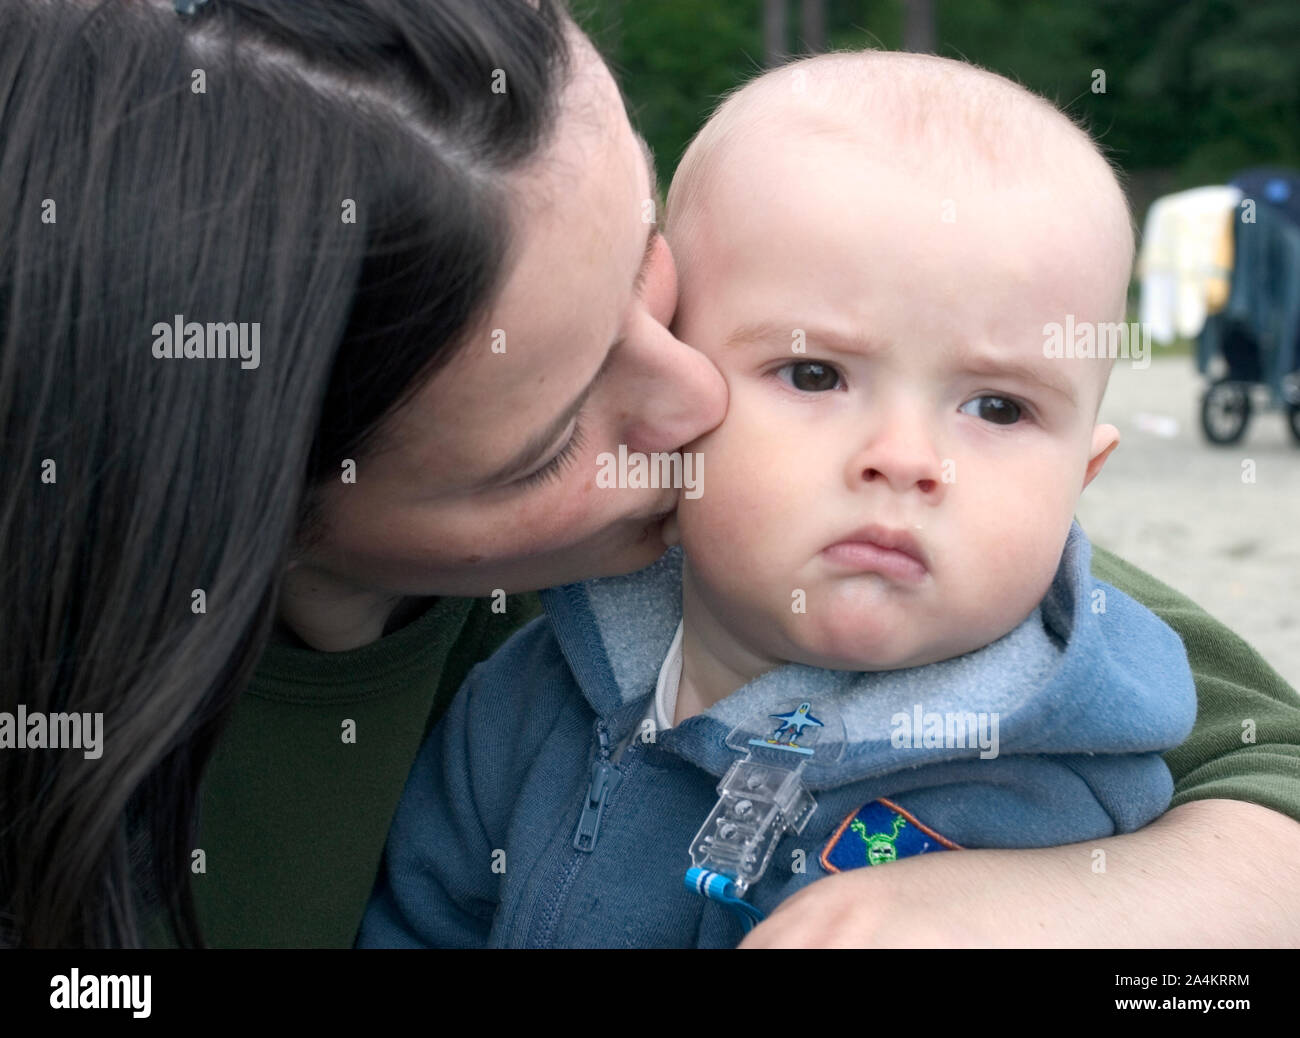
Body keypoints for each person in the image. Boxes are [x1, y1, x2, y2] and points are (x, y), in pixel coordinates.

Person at [1, 0, 1297, 951]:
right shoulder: (528, 680)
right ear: (254, 516)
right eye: (558, 429)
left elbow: (1269, 778)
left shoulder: (902, 573)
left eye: (649, 274)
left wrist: (1045, 905)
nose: (697, 401)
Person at [355, 51, 1203, 949]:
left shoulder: (1067, 800)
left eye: (997, 407)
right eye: (814, 373)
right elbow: (420, 919)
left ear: (1083, 478)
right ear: (674, 387)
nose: (905, 459)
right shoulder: (535, 689)